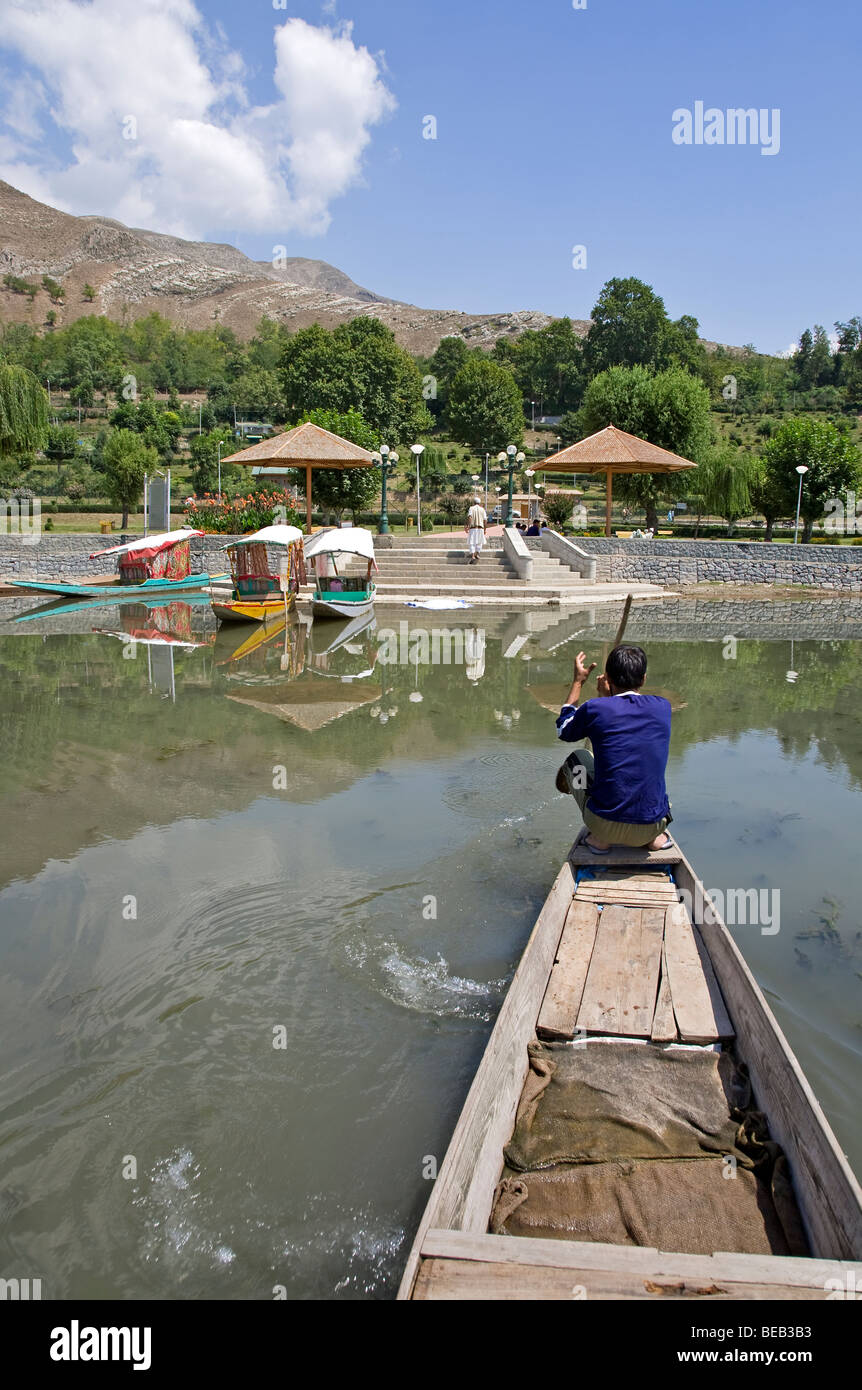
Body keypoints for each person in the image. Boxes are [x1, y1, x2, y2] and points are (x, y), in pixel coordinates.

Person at [554, 644, 672, 852]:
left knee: (577, 759)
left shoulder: (595, 708)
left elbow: (563, 730)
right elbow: (621, 717)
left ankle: (599, 839)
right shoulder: (662, 707)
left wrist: (578, 682)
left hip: (604, 825)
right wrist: (607, 699)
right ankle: (653, 840)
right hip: (654, 824)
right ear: (643, 678)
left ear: (607, 678)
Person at [466, 496, 487, 564]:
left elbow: (470, 517)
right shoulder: (482, 509)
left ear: (474, 502)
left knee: (472, 542)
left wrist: (468, 526)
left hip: (473, 528)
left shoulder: (471, 508)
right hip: (480, 528)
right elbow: (485, 520)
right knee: (479, 542)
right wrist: (485, 529)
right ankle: (477, 553)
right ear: (479, 503)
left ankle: (472, 555)